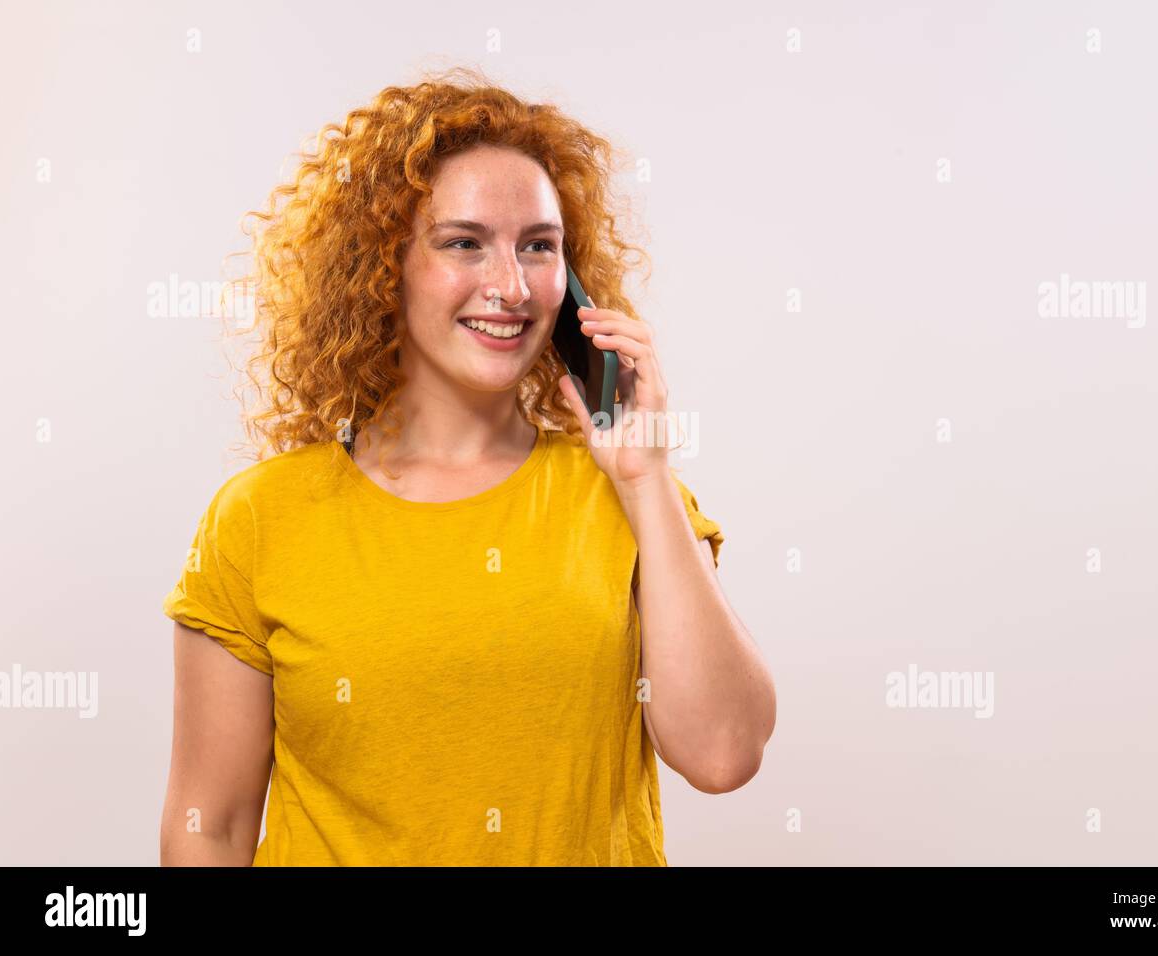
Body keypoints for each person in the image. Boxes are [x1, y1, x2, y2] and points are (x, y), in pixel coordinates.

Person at [158, 67, 776, 866]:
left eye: (539, 247)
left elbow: (724, 753)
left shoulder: (629, 497)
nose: (511, 287)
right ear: (385, 265)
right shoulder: (259, 517)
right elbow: (211, 826)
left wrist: (645, 478)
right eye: (464, 244)